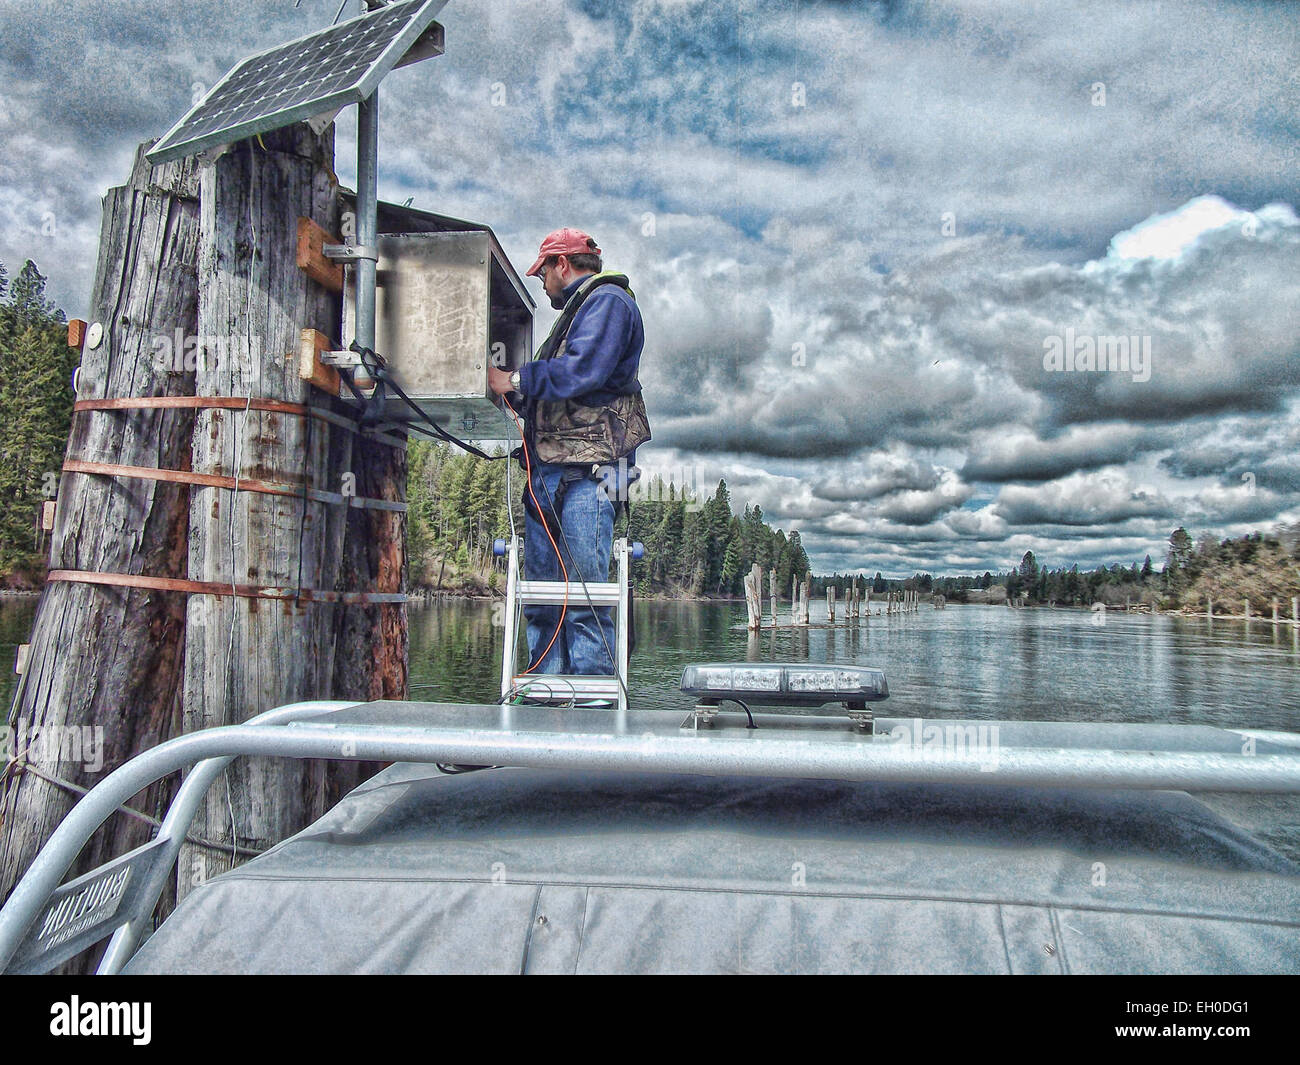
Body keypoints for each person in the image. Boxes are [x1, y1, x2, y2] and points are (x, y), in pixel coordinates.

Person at [488, 228, 649, 677]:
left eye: (543, 273)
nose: (542, 283)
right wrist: (516, 393)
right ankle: (545, 705)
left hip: (589, 475)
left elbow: (583, 370)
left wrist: (514, 379)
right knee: (542, 599)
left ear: (563, 264)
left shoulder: (608, 302)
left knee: (583, 601)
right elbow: (563, 386)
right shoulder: (580, 312)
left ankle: (591, 722)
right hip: (551, 475)